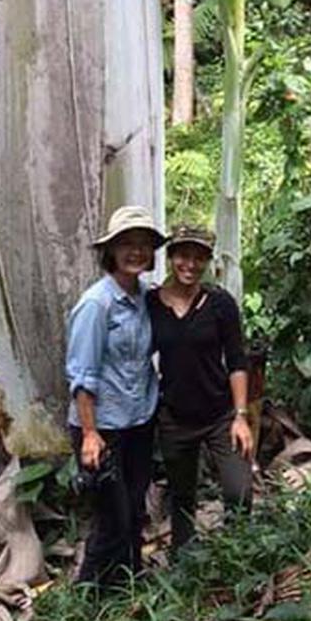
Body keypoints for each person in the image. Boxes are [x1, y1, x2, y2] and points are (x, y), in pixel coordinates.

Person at [65, 205, 167, 586]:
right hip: (102, 428)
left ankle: (127, 583)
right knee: (112, 517)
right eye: (127, 244)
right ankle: (85, 594)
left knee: (134, 509)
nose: (136, 251)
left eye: (143, 244)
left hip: (138, 422)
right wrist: (90, 434)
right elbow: (82, 374)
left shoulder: (145, 297)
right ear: (111, 251)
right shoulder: (96, 304)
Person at [146, 224, 253, 551]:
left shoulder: (220, 303)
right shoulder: (150, 303)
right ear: (171, 257)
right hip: (175, 418)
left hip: (220, 415)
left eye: (198, 257)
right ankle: (184, 566)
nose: (189, 264)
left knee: (239, 491)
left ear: (207, 261)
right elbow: (134, 354)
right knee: (181, 497)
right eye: (182, 256)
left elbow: (236, 360)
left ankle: (238, 556)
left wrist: (240, 416)